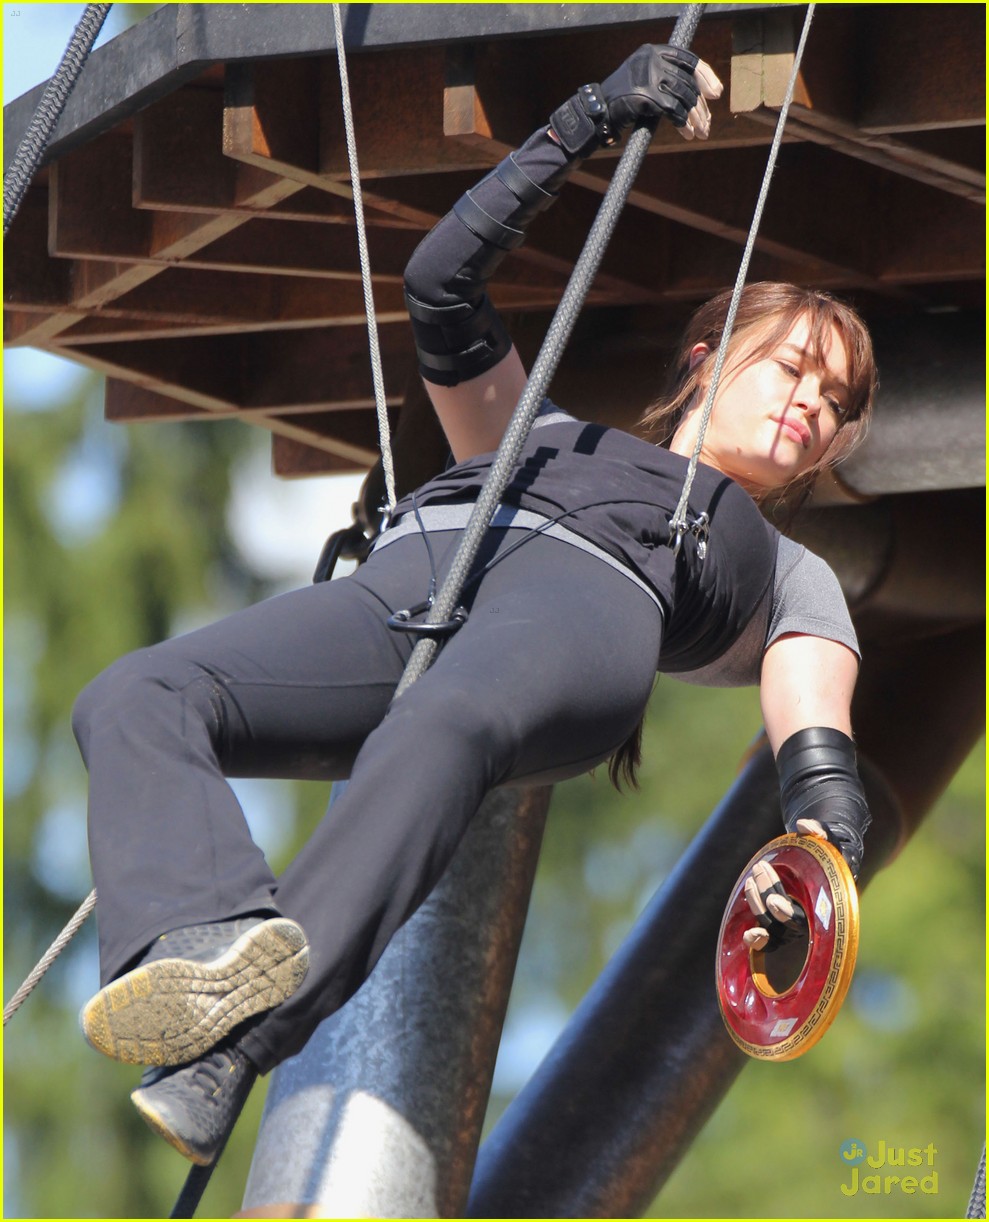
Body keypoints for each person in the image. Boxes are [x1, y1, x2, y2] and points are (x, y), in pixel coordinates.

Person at [72, 44, 875, 1166]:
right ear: (705, 358)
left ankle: (243, 1038)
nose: (809, 404)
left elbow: (815, 733)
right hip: (407, 589)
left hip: (589, 614)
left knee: (441, 725)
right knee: (140, 692)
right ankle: (201, 943)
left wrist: (821, 849)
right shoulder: (535, 436)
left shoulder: (781, 565)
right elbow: (440, 282)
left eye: (834, 401)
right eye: (790, 368)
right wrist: (590, 117)